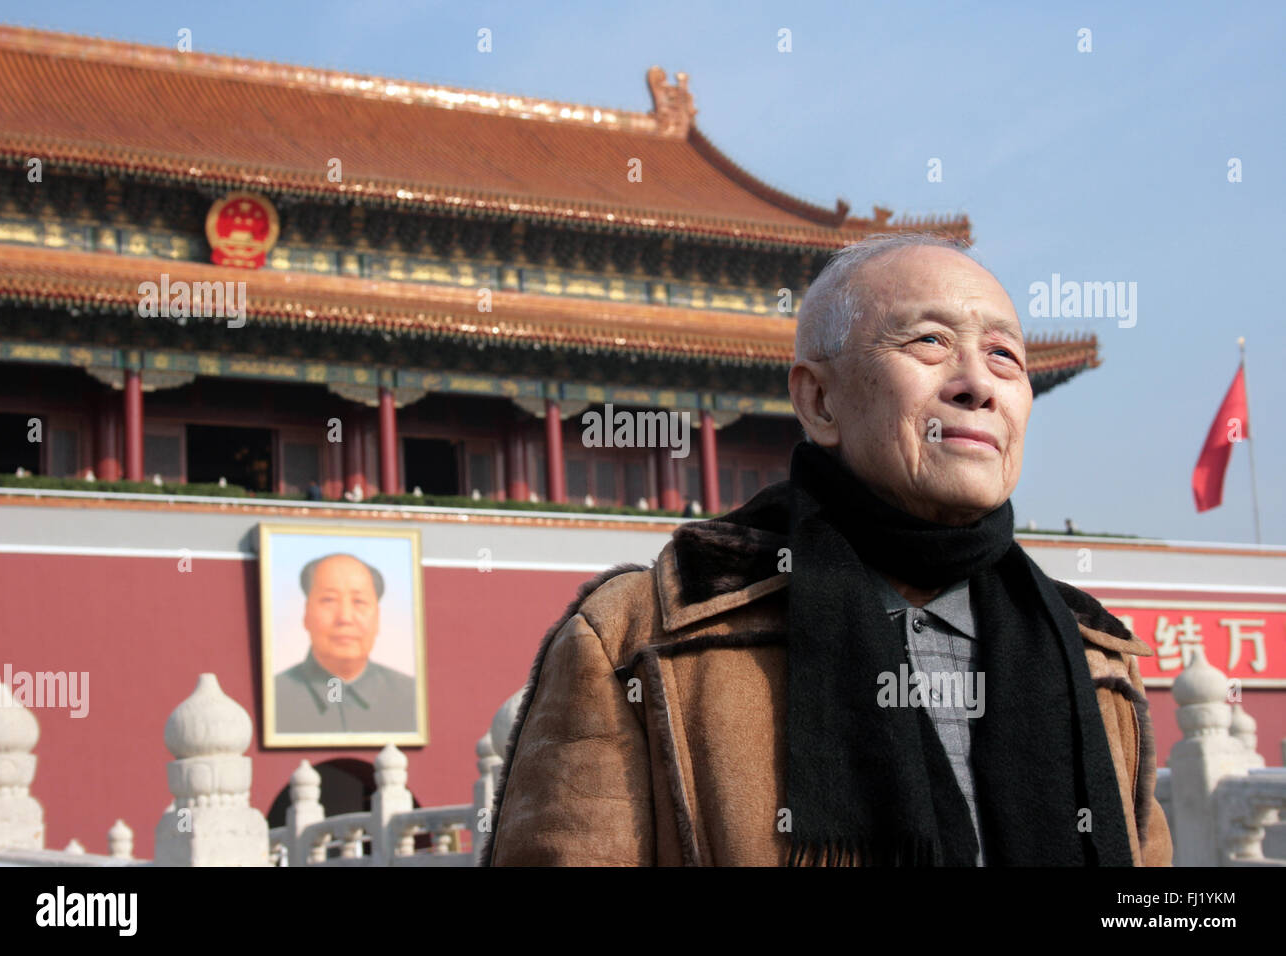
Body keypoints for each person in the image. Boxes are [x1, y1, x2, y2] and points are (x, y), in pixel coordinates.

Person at [482, 234, 1171, 866]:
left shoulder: (1091, 655)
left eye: (1005, 356)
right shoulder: (642, 638)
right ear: (819, 403)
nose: (978, 384)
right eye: (930, 342)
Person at [274, 553, 416, 734]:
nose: (345, 618)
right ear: (306, 614)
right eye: (329, 600)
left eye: (359, 601)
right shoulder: (276, 697)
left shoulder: (410, 697)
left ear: (378, 618)